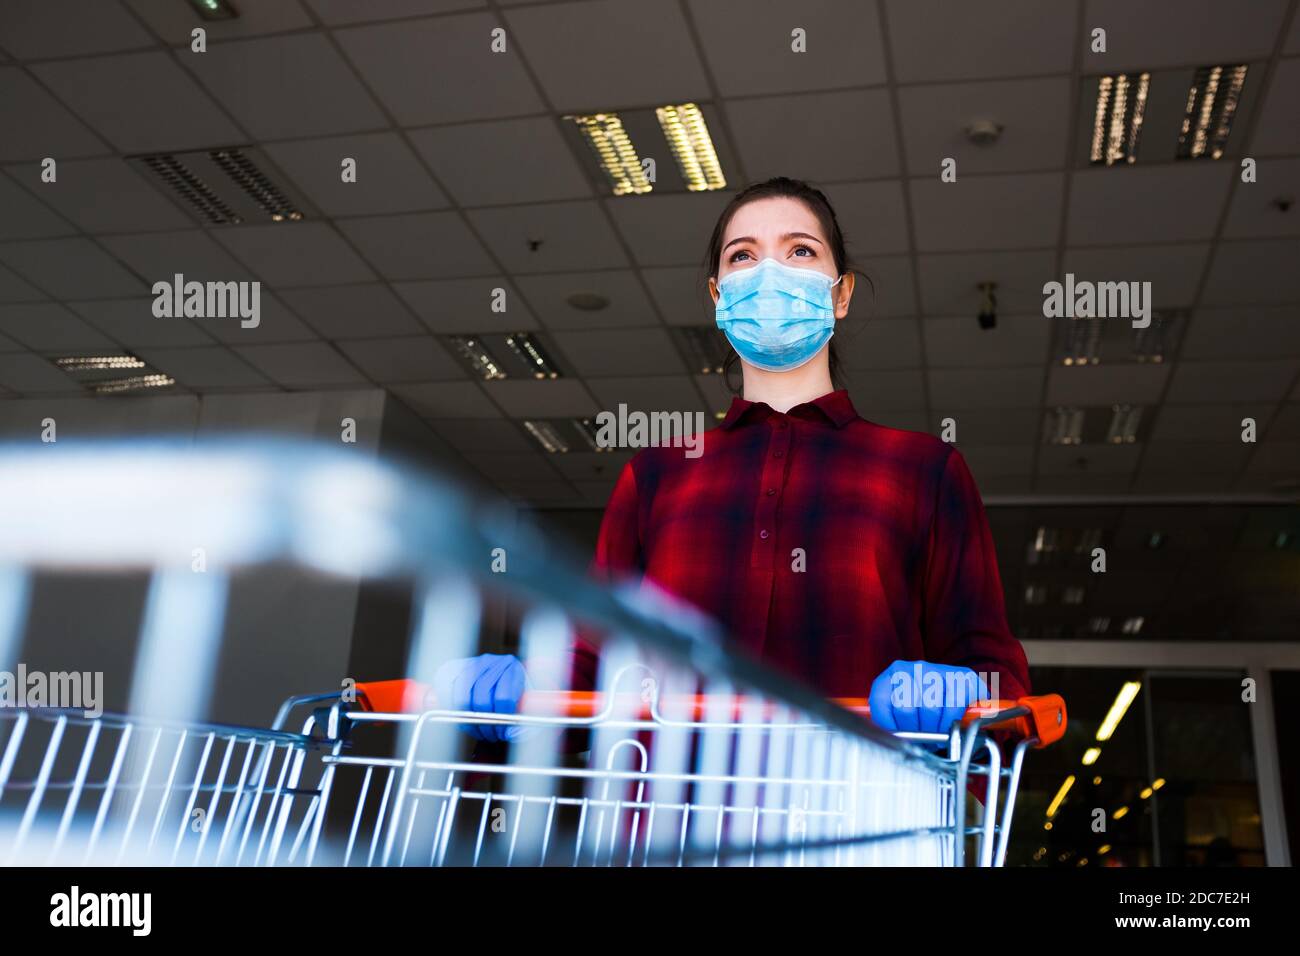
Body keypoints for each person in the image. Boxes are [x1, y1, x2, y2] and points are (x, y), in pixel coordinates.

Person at [437, 176, 1030, 742]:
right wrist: (527, 688)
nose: (769, 272)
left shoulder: (922, 470)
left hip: (859, 820)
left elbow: (994, 672)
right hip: (672, 827)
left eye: (800, 251)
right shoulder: (658, 475)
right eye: (743, 256)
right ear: (719, 299)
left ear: (841, 293)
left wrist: (966, 692)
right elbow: (597, 661)